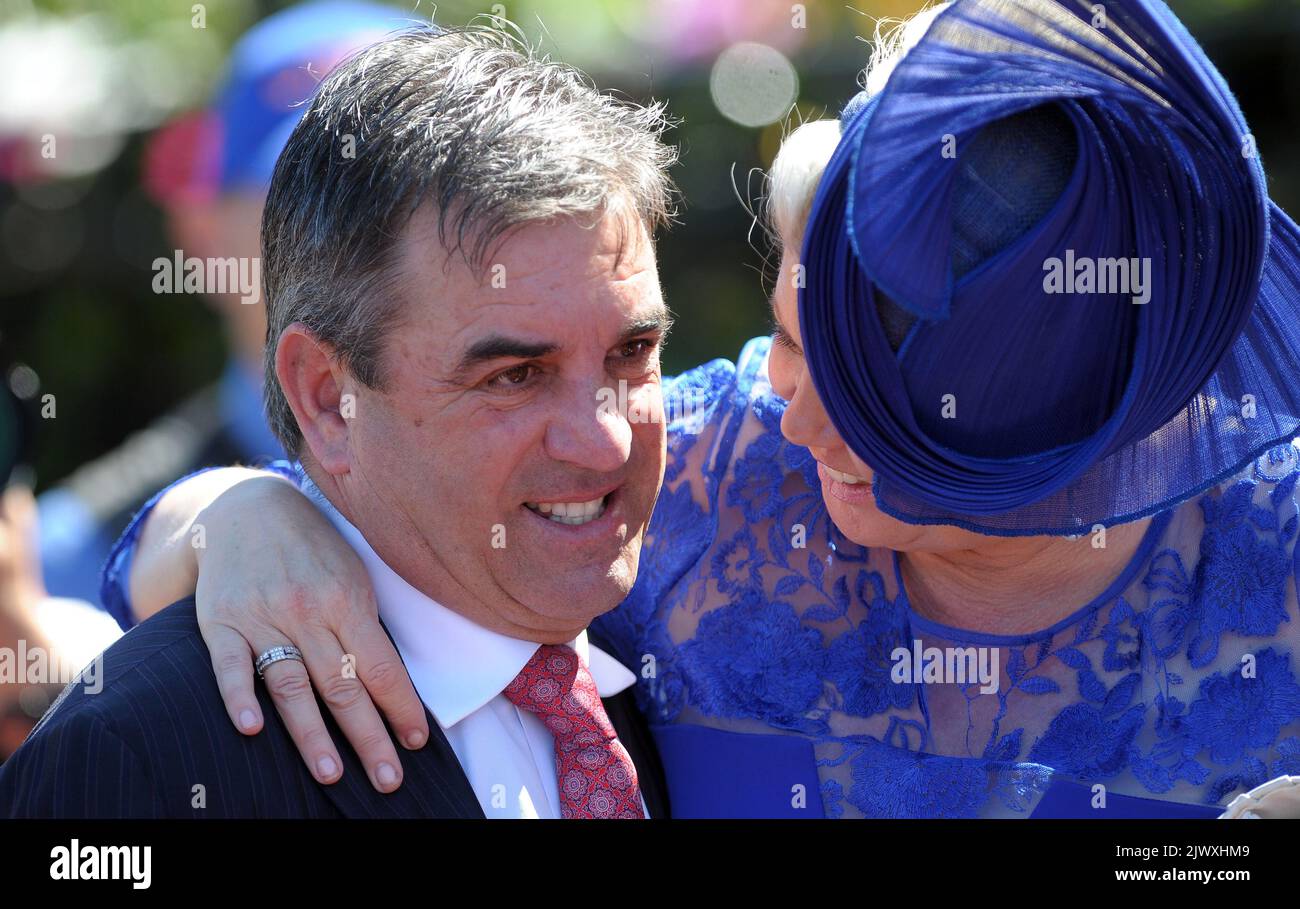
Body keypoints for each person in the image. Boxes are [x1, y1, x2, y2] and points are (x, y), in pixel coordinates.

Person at [54, 0, 1300, 817]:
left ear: (1095, 404)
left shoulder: (1274, 560)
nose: (791, 414)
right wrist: (245, 513)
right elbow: (397, 486)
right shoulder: (706, 481)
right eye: (795, 343)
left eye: (896, 405)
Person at [0, 24, 676, 818]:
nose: (606, 440)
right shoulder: (137, 763)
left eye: (633, 351)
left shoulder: (713, 594)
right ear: (324, 395)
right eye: (515, 375)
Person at [35, 0, 400, 606]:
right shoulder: (67, 568)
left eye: (411, 191)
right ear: (200, 236)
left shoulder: (586, 489)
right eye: (307, 194)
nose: (373, 236)